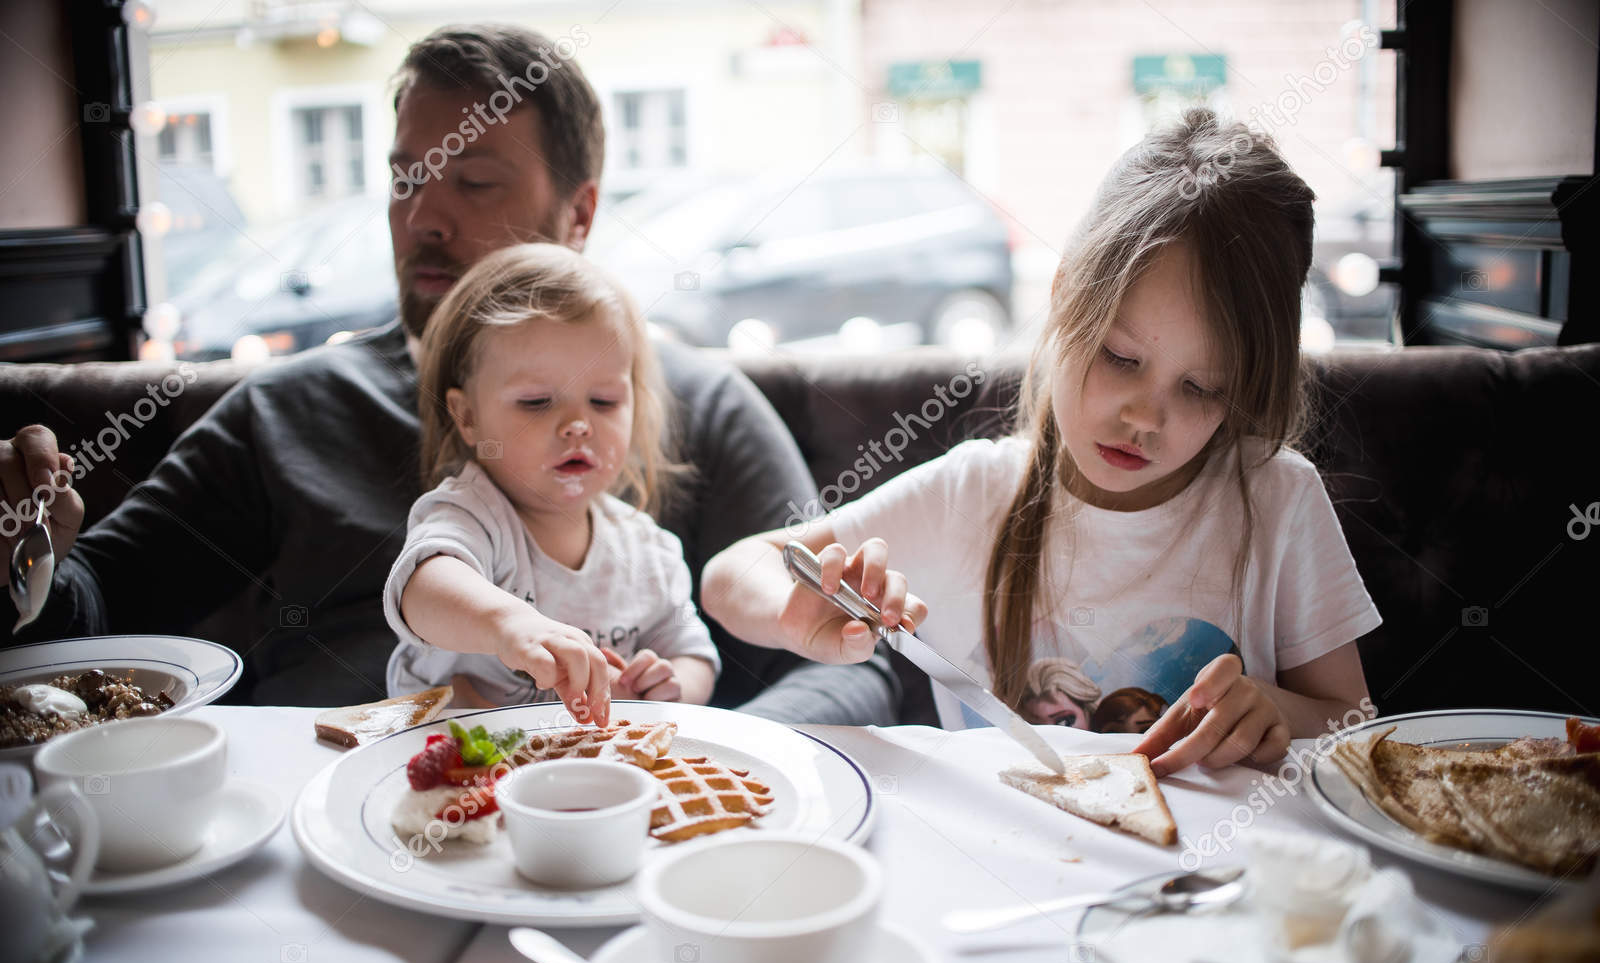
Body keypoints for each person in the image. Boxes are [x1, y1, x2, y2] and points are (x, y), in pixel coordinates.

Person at [0, 24, 898, 724]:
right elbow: (94, 610)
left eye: (472, 182)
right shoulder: (286, 409)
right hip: (332, 844)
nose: (423, 215)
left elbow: (850, 661)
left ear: (578, 211)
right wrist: (26, 563)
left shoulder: (696, 407)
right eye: (405, 179)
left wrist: (707, 760)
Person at [703, 108, 1380, 776]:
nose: (1146, 415)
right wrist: (797, 619)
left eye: (1202, 387)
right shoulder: (969, 495)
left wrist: (1278, 711)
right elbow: (731, 575)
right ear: (1063, 299)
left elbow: (1353, 721)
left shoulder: (1278, 497)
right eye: (1121, 357)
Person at [387, 242, 718, 725]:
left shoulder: (647, 548)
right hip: (459, 778)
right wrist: (509, 625)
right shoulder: (471, 515)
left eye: (603, 401)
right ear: (467, 416)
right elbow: (421, 591)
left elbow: (695, 654)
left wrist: (665, 688)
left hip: (589, 779)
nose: (578, 425)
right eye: (538, 401)